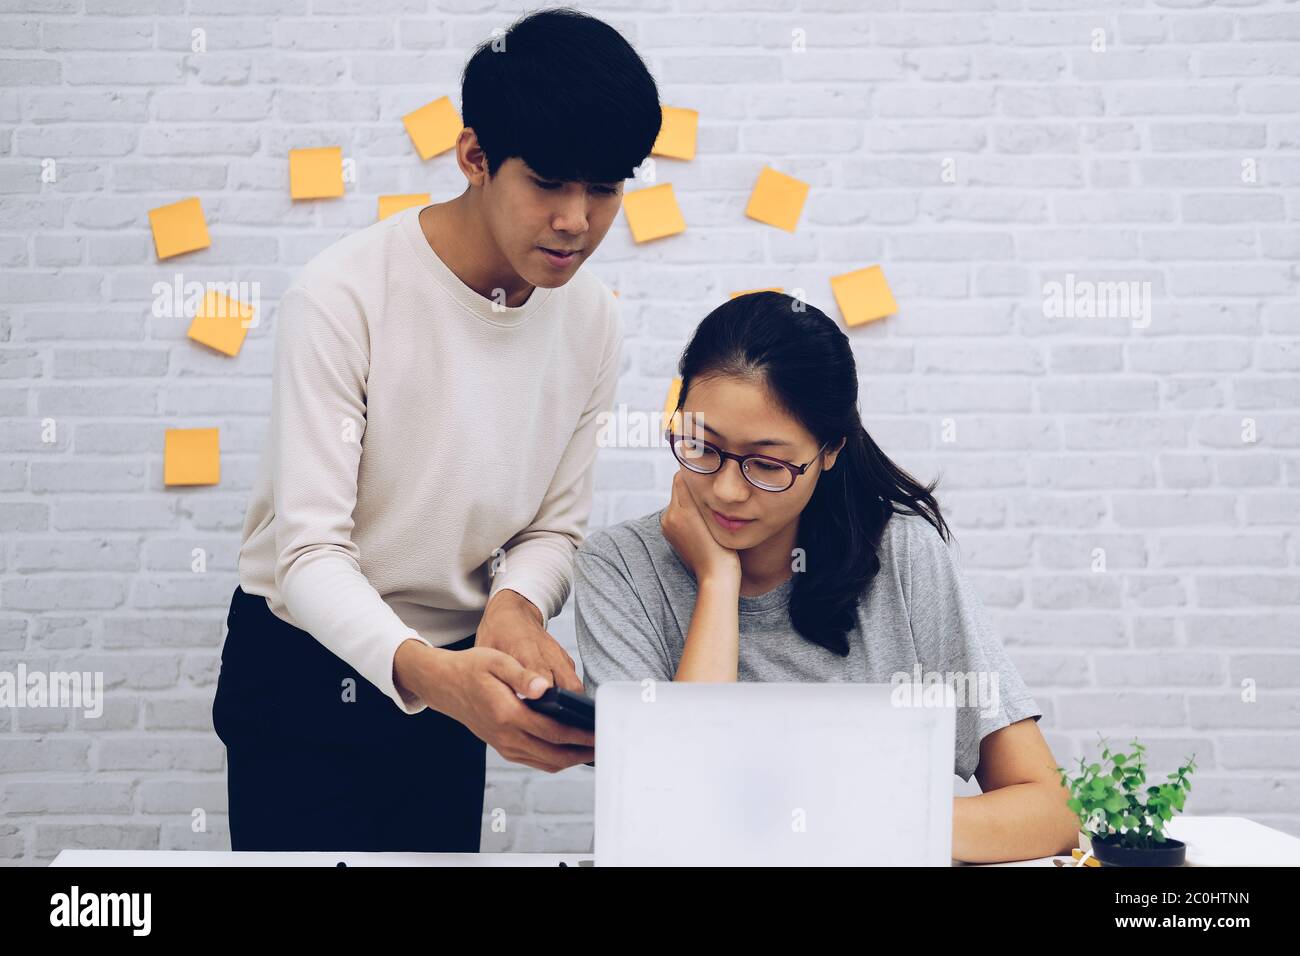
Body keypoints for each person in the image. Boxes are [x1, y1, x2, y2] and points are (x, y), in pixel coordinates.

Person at [212, 8, 661, 852]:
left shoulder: (592, 316)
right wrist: (430, 676)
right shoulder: (341, 296)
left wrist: (517, 606)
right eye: (551, 183)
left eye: (605, 189)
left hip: (461, 672)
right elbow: (308, 555)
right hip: (306, 673)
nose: (577, 220)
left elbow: (553, 526)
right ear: (474, 158)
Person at [574, 292, 1080, 864]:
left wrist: (848, 824)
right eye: (702, 448)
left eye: (767, 464)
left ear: (831, 450)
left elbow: (1050, 811)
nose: (726, 490)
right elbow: (674, 817)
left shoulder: (901, 556)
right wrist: (717, 580)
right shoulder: (618, 568)